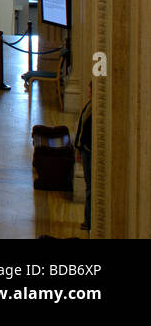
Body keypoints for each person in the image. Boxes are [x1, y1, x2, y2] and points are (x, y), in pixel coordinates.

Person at [75, 82, 93, 231]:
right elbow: (80, 128)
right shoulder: (89, 106)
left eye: (89, 88)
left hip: (89, 151)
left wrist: (82, 148)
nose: (87, 90)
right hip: (84, 150)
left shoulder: (94, 109)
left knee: (91, 189)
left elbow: (86, 131)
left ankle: (89, 221)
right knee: (89, 187)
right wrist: (78, 149)